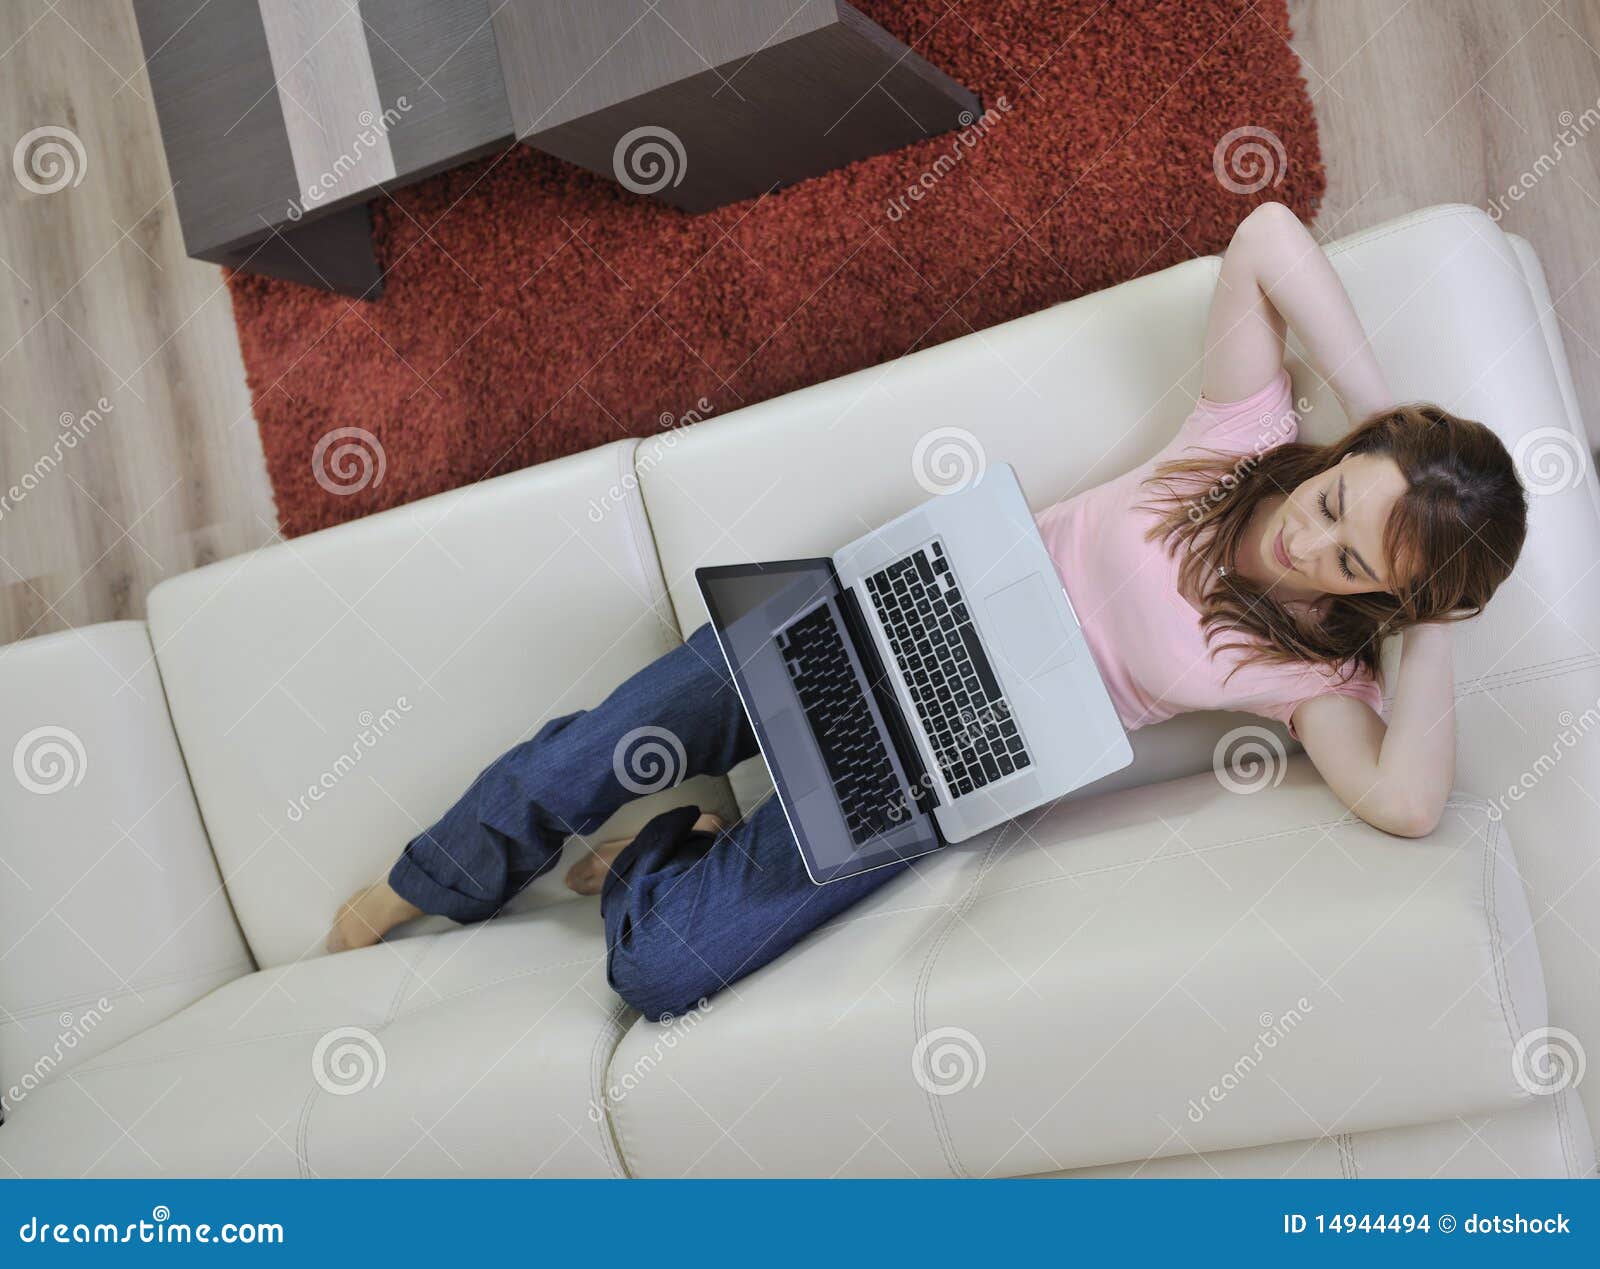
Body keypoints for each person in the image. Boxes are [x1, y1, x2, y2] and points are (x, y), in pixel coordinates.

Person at [327, 202, 1528, 1021]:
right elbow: (1265, 234)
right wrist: (1385, 420)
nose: (1303, 535)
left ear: (1381, 594)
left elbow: (1407, 802)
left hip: (923, 782)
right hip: (856, 621)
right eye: (1332, 498)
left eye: (1348, 556)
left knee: (658, 970)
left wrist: (1425, 627)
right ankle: (429, 883)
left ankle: (674, 847)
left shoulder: (1313, 682)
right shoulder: (1240, 440)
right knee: (596, 748)